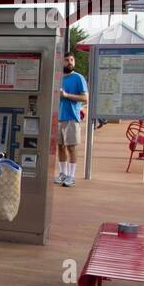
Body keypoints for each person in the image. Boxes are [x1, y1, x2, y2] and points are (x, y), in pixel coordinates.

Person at [56, 52, 88, 186]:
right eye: (66, 60)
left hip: (71, 118)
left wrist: (67, 95)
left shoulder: (78, 78)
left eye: (71, 60)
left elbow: (85, 98)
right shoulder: (57, 77)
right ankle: (62, 173)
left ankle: (71, 176)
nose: (70, 62)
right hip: (57, 117)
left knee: (71, 147)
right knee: (60, 146)